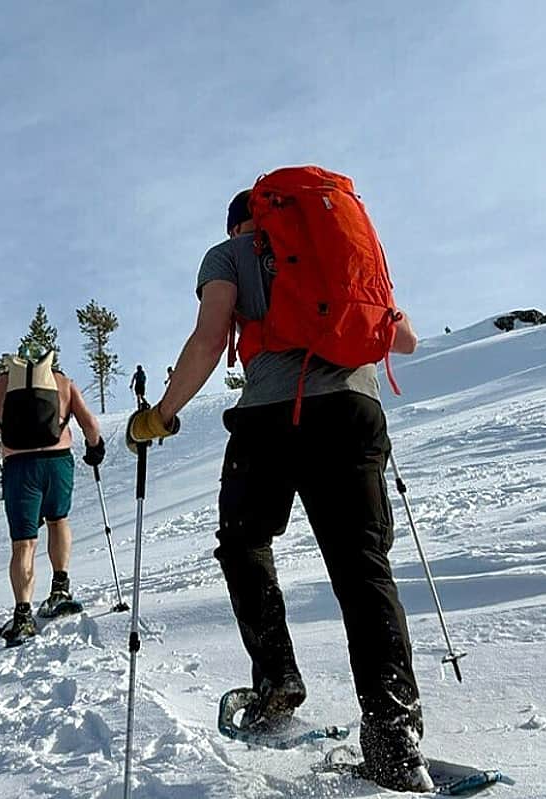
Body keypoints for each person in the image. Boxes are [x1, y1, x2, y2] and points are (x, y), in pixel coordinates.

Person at [125, 188, 428, 790]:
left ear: (239, 224)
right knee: (362, 566)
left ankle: (277, 682)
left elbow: (210, 339)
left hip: (269, 417)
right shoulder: (343, 250)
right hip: (353, 411)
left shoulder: (228, 255)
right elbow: (406, 341)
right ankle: (394, 739)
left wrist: (159, 416)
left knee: (243, 543)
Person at [0, 345, 105, 644]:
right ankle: (60, 591)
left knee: (24, 543)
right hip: (58, 464)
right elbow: (90, 425)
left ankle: (23, 618)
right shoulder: (63, 382)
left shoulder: (1, 385)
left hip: (20, 468)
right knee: (58, 521)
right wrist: (95, 448)